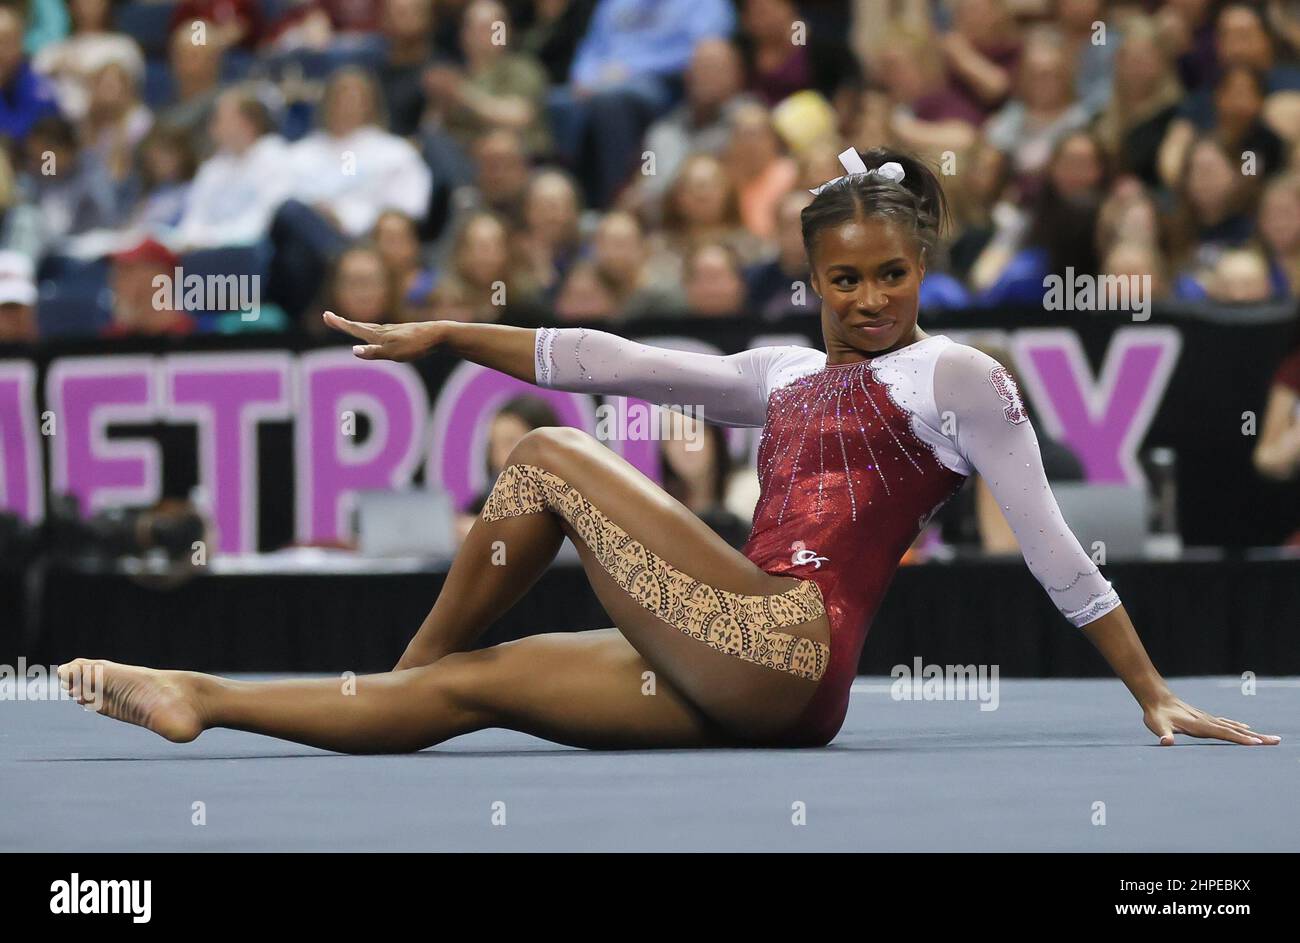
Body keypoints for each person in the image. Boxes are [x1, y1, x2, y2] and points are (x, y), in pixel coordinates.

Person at [57, 147, 1281, 752]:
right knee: (481, 682)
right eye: (842, 278)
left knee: (541, 457)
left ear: (924, 269)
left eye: (890, 275)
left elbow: (1058, 552)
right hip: (731, 664)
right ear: (806, 278)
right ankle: (200, 699)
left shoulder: (956, 377)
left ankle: (395, 675)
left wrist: (1152, 690)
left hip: (787, 648)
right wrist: (445, 329)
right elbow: (599, 357)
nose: (868, 298)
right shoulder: (776, 373)